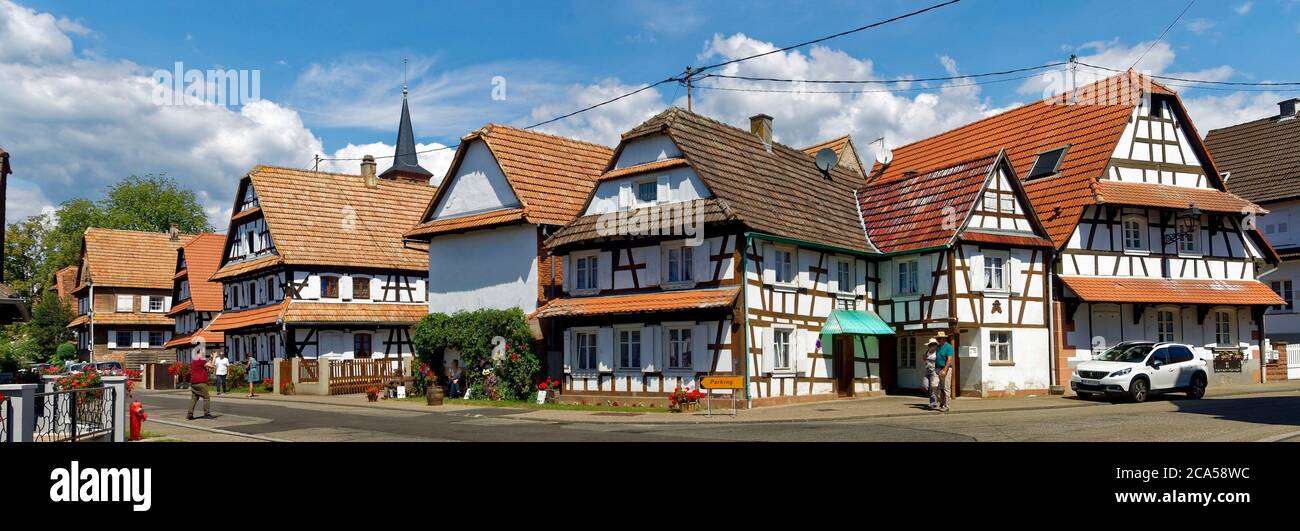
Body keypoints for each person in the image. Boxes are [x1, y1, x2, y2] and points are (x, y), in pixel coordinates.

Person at [187, 352, 213, 420]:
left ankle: (189, 414)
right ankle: (207, 414)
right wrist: (215, 357)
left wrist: (211, 358)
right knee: (206, 397)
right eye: (202, 353)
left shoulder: (194, 361)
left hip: (193, 383)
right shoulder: (201, 360)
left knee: (194, 398)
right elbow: (212, 366)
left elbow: (207, 364)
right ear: (199, 354)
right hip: (201, 382)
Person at [934, 331, 955, 412]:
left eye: (940, 338)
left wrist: (945, 370)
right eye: (938, 338)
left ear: (944, 339)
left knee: (946, 388)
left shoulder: (949, 347)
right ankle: (941, 402)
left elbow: (949, 359)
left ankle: (946, 405)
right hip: (937, 368)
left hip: (945, 368)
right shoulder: (938, 347)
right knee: (935, 385)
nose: (939, 340)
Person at [923, 338, 939, 409]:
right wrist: (925, 359)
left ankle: (933, 403)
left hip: (934, 370)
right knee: (925, 385)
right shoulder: (927, 351)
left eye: (933, 345)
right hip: (927, 369)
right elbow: (924, 358)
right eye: (930, 345)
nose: (931, 346)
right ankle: (937, 397)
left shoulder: (937, 352)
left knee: (932, 387)